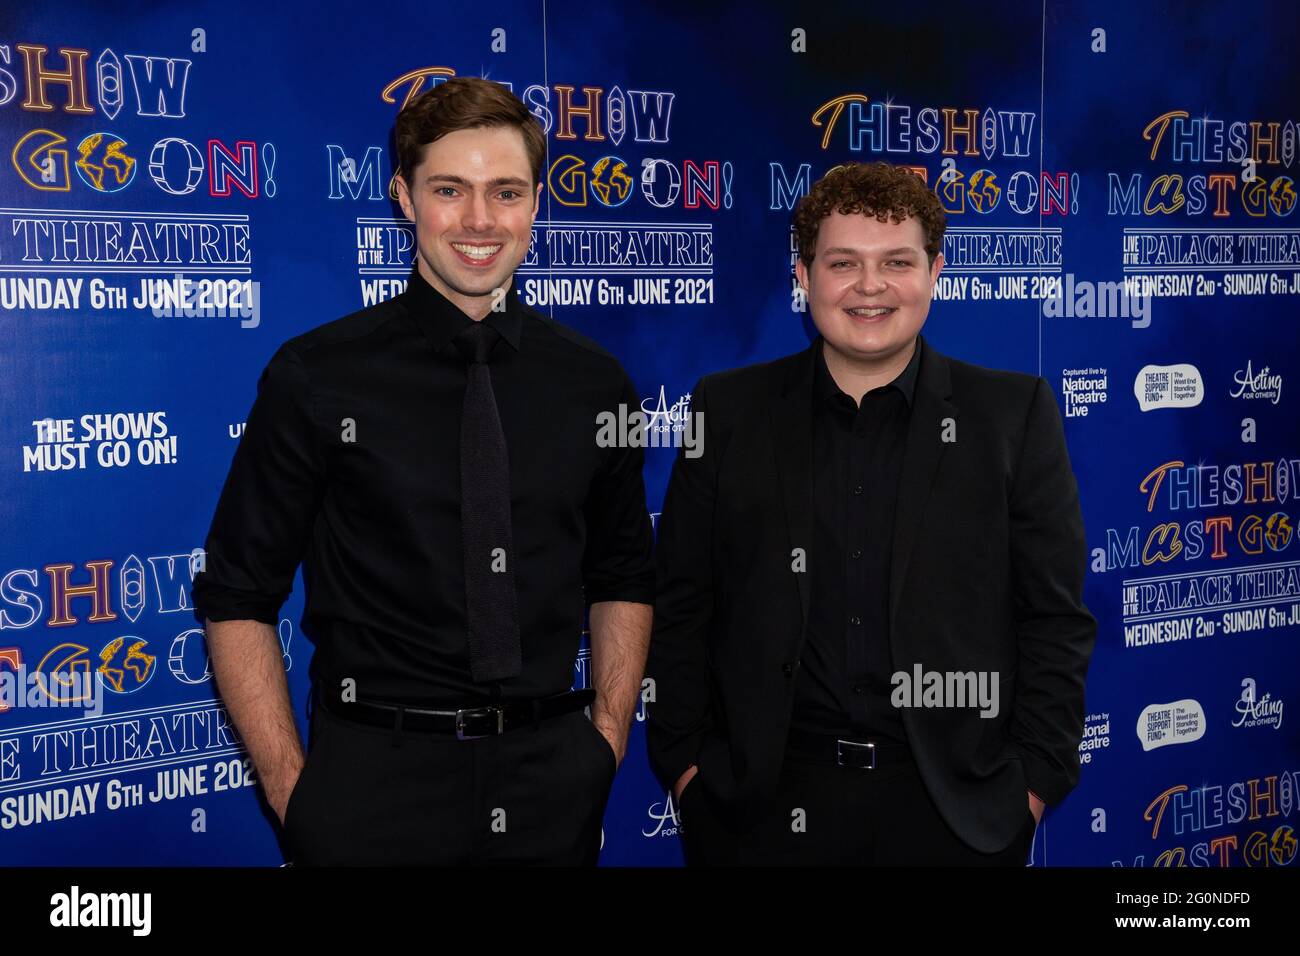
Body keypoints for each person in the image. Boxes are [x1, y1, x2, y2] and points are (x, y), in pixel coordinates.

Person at [192, 76, 655, 865]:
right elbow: (237, 595)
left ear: (536, 203)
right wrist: (291, 788)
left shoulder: (593, 382)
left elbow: (622, 575)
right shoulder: (316, 376)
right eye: (451, 190)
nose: (480, 220)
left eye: (506, 191)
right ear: (404, 198)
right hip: (372, 788)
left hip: (552, 784)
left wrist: (604, 742)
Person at [646, 160, 1096, 865]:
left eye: (897, 261)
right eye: (842, 262)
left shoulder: (1012, 416)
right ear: (802, 275)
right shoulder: (728, 411)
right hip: (759, 813)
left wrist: (1032, 785)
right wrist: (687, 771)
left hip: (956, 815)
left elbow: (1054, 617)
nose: (870, 286)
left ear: (936, 271)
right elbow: (682, 603)